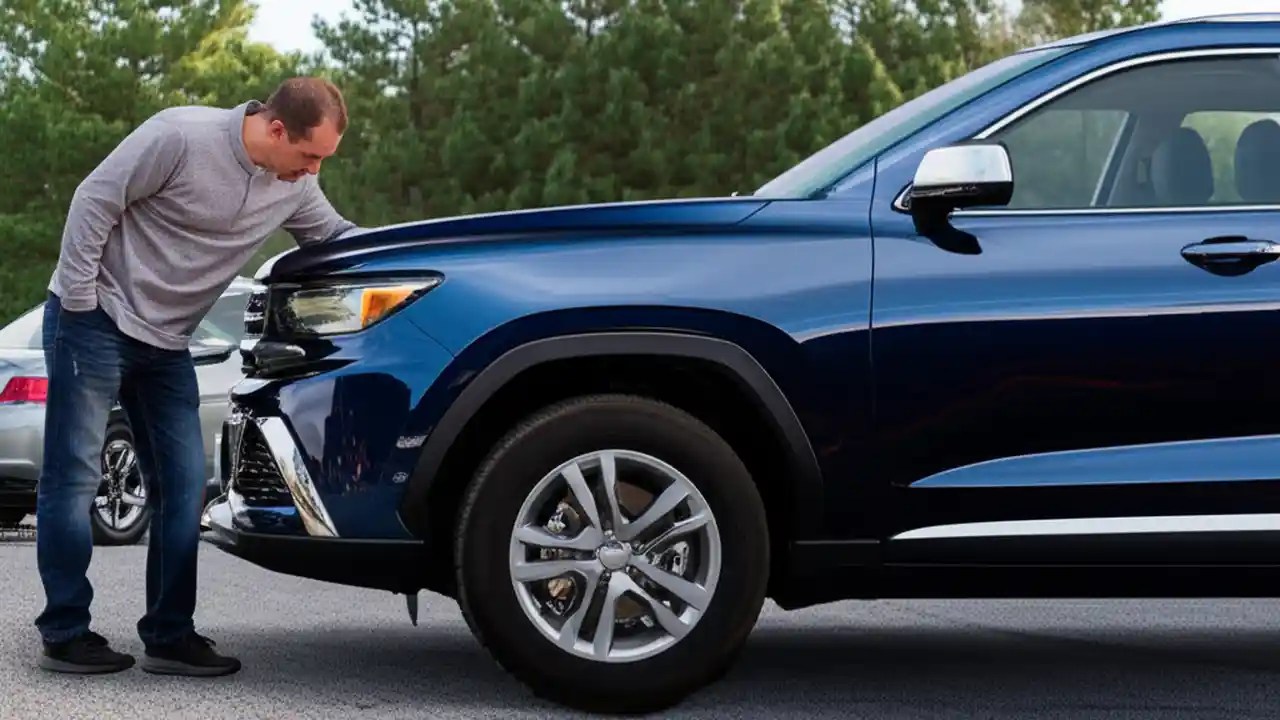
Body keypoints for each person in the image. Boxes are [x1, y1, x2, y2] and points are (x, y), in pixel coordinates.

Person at [35, 77, 358, 676]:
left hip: (166, 344)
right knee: (74, 477)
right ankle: (65, 631)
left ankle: (168, 635)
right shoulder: (180, 136)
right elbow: (93, 199)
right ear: (276, 129)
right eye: (309, 155)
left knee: (186, 487)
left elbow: (338, 240)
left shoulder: (295, 186)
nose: (313, 170)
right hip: (95, 320)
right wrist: (81, 303)